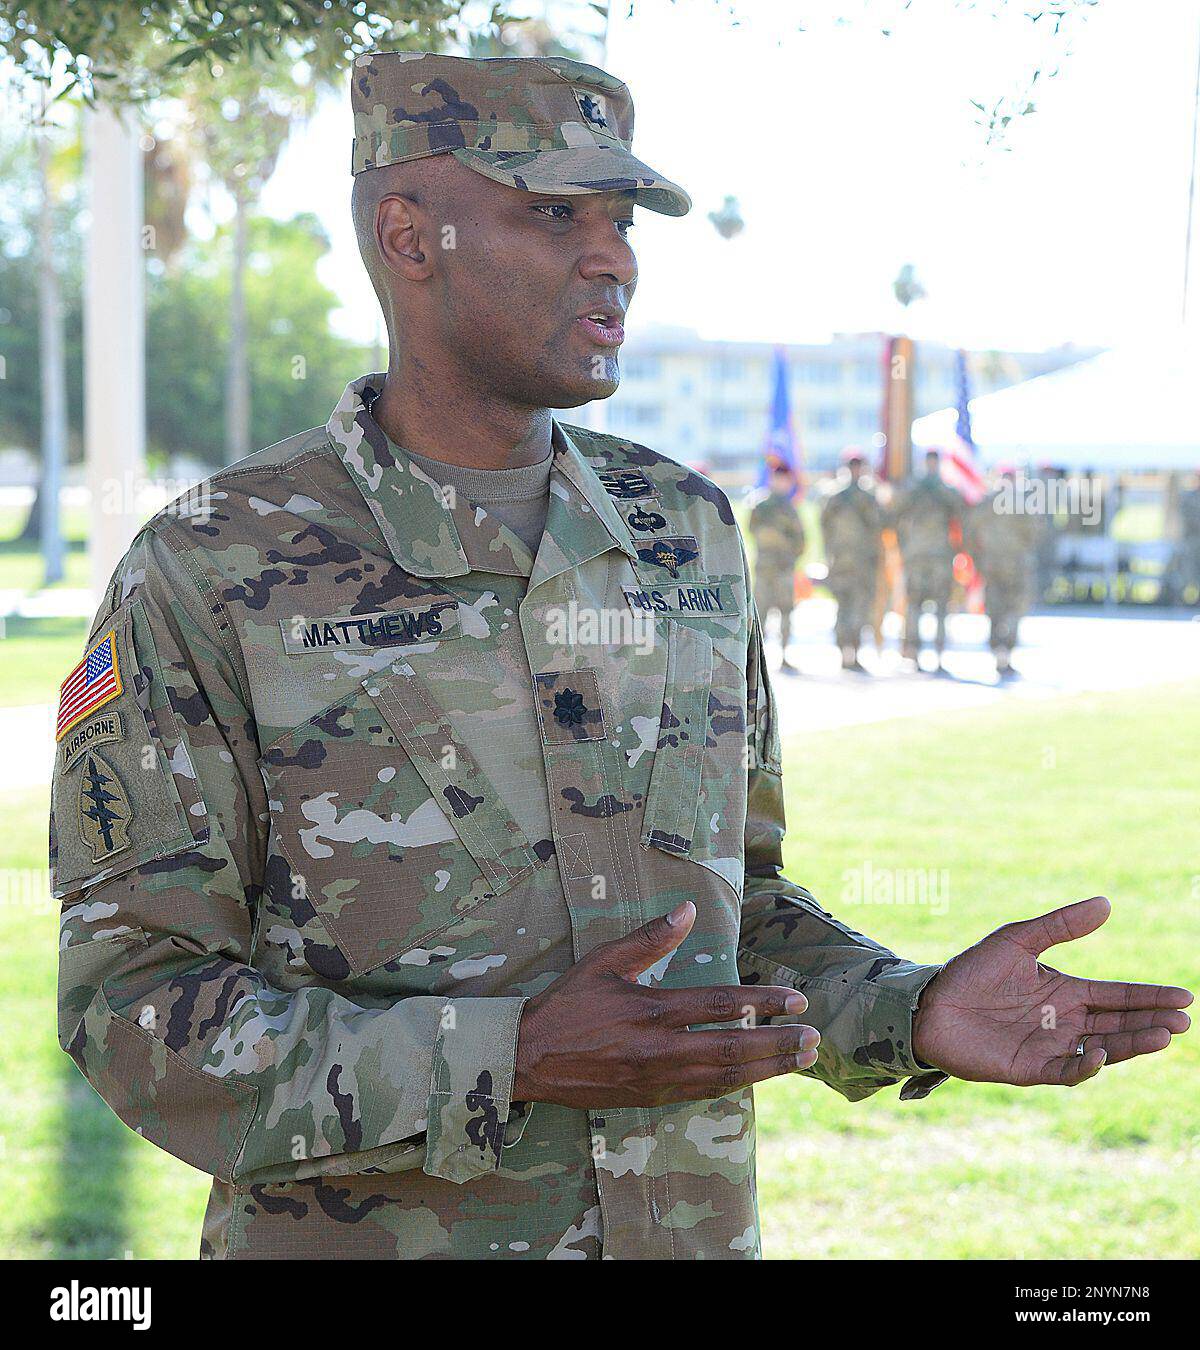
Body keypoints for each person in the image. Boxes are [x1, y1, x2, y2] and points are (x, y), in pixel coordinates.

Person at [51, 52, 1192, 1261]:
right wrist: (507, 1058)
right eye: (553, 214)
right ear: (408, 234)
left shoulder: (684, 534)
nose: (615, 258)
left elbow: (729, 914)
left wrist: (909, 1008)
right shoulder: (213, 564)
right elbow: (132, 1007)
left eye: (621, 219)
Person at [967, 465, 1041, 676]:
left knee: (994, 607)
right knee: (1014, 608)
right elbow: (1034, 533)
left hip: (991, 563)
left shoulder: (987, 502)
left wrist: (979, 557)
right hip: (1016, 563)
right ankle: (1005, 651)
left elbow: (971, 530)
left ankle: (997, 649)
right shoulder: (1024, 504)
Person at [894, 449, 962, 671]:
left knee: (941, 606)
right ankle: (912, 652)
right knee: (915, 604)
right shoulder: (914, 488)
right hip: (917, 556)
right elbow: (895, 512)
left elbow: (959, 510)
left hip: (939, 557)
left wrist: (938, 489)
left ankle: (939, 653)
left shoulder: (944, 489)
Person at [819, 448, 882, 672]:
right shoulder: (867, 496)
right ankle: (850, 653)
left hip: (843, 559)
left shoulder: (834, 495)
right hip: (859, 560)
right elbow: (877, 526)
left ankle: (847, 652)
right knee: (855, 606)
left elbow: (824, 527)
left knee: (846, 606)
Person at [748, 461, 807, 672]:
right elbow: (752, 530)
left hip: (781, 566)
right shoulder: (763, 505)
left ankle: (783, 655)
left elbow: (800, 540)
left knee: (785, 610)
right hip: (769, 566)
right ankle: (756, 658)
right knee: (761, 612)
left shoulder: (783, 506)